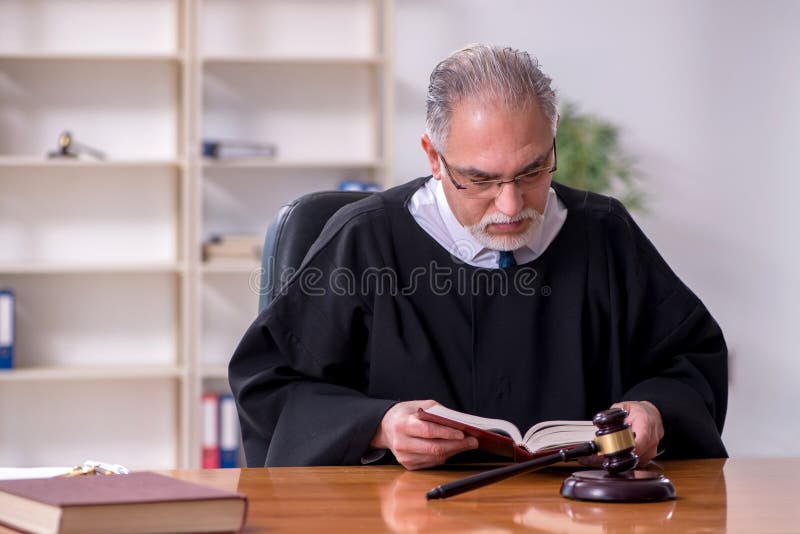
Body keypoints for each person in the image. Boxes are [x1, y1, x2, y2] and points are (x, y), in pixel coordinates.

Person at [229, 44, 728, 470]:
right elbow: (271, 387)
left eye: (532, 172)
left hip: (577, 511)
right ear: (433, 157)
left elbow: (690, 360)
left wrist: (655, 410)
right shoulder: (365, 241)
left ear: (552, 143)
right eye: (481, 180)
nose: (510, 206)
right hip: (405, 515)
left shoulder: (603, 234)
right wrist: (377, 427)